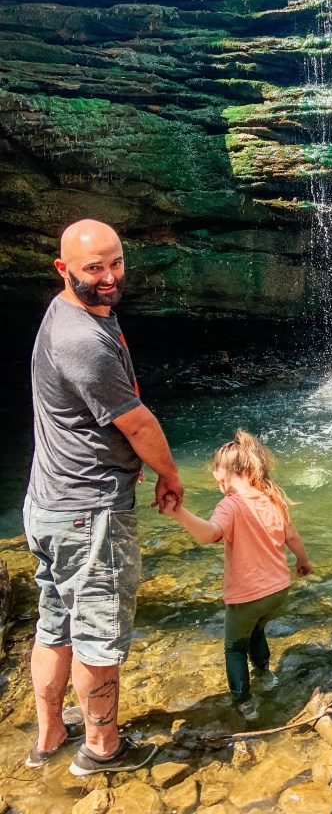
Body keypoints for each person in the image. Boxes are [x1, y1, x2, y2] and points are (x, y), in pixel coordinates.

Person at [24, 219, 184, 776]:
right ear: (64, 270)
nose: (110, 277)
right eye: (94, 268)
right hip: (87, 512)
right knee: (98, 634)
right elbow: (138, 424)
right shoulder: (82, 339)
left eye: (116, 263)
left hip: (48, 504)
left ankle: (48, 737)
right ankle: (102, 749)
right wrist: (170, 476)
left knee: (55, 625)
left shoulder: (67, 312)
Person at [161, 429, 312, 719]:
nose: (218, 485)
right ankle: (266, 675)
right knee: (256, 629)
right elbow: (292, 537)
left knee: (234, 647)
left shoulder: (231, 505)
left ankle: (244, 702)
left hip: (247, 596)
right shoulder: (272, 498)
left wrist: (178, 514)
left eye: (218, 479)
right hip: (278, 591)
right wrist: (303, 562)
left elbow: (210, 534)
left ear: (228, 474)